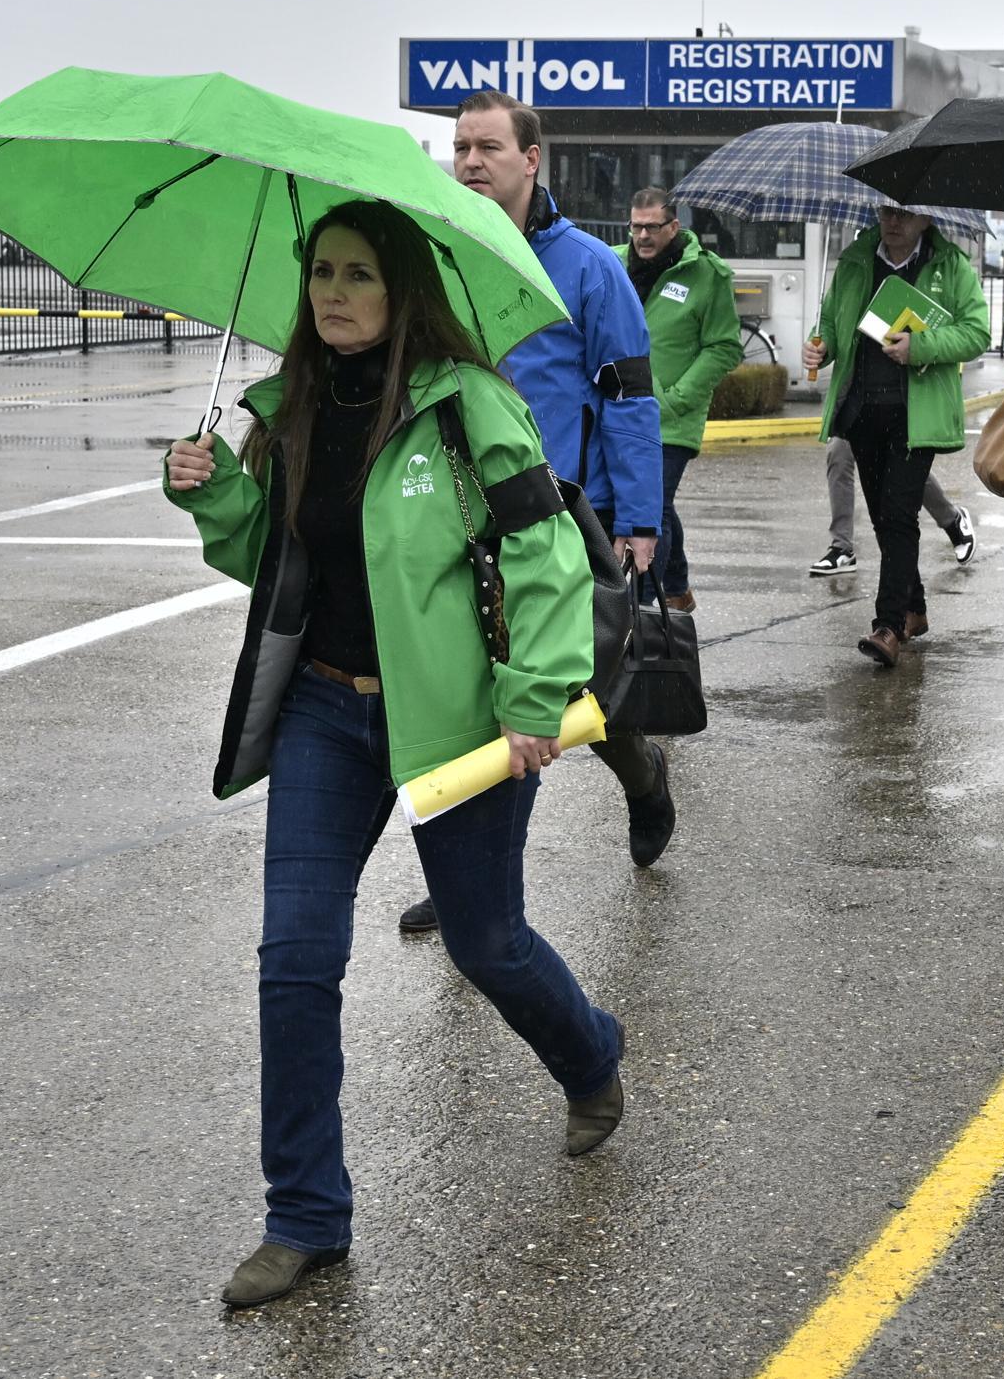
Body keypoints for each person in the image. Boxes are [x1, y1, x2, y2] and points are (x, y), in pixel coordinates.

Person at [163, 199, 626, 1309]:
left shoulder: (473, 408)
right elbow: (273, 559)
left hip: (461, 718)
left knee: (486, 941)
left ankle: (591, 1055)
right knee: (295, 956)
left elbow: (544, 551)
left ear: (402, 287)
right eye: (321, 271)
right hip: (327, 712)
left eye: (359, 273)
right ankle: (306, 1216)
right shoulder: (293, 409)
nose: (334, 292)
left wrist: (532, 699)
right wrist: (216, 490)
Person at [397, 92, 671, 941]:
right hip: (455, 521)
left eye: (487, 147)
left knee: (567, 701)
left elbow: (630, 400)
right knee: (471, 709)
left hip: (555, 523)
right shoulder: (436, 257)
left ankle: (642, 771)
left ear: (531, 160)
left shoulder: (589, 267)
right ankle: (467, 891)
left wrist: (638, 520)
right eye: (459, 147)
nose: (470, 161)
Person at [801, 206, 989, 665]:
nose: (894, 222)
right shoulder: (855, 260)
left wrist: (920, 346)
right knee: (885, 518)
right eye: (887, 212)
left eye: (905, 215)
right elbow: (831, 322)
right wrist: (818, 344)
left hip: (915, 415)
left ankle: (888, 626)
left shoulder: (950, 267)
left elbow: (977, 333)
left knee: (900, 516)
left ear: (926, 221)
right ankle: (916, 609)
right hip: (863, 411)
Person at [616, 187, 742, 610]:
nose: (643, 236)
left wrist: (675, 398)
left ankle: (646, 608)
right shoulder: (612, 264)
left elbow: (724, 347)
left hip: (672, 417)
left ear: (674, 226)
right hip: (620, 411)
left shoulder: (707, 274)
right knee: (658, 503)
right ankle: (677, 589)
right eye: (636, 226)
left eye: (653, 227)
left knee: (651, 505)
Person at [813, 442, 976, 575]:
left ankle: (952, 519)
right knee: (838, 453)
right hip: (852, 403)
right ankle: (842, 547)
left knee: (902, 463)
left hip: (888, 405)